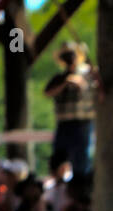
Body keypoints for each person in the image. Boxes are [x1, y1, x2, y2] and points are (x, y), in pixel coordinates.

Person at [43, 42, 97, 180]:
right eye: (66, 56)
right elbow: (47, 92)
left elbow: (98, 92)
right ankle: (60, 182)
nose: (69, 58)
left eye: (71, 55)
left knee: (81, 160)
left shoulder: (88, 74)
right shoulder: (59, 78)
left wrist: (83, 82)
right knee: (58, 158)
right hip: (64, 123)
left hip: (83, 122)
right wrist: (65, 83)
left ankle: (82, 183)